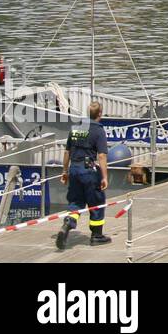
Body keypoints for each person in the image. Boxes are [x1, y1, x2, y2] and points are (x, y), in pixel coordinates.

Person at [56, 101, 111, 249]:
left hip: (74, 169)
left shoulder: (76, 127)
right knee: (97, 203)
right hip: (89, 170)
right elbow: (102, 156)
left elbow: (67, 151)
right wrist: (104, 177)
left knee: (76, 202)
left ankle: (68, 223)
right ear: (100, 113)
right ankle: (97, 236)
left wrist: (65, 171)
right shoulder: (98, 130)